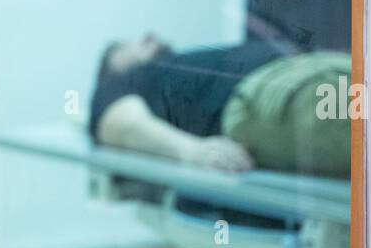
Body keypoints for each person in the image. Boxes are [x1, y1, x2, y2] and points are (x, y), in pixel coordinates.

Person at [88, 35, 351, 178]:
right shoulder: (118, 83)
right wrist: (193, 152)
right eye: (129, 45)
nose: (148, 37)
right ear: (111, 71)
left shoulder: (179, 65)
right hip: (268, 96)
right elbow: (120, 124)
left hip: (311, 67)